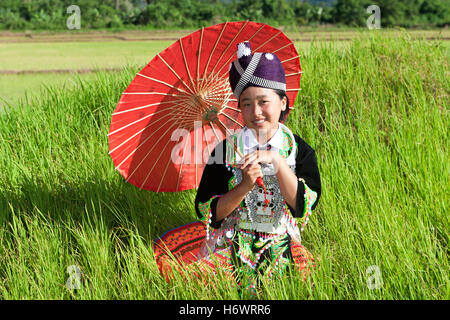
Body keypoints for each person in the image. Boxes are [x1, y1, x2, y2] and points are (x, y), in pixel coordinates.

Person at [193, 41, 322, 292]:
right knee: (201, 284)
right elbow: (207, 212)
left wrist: (276, 161)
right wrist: (244, 186)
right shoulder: (224, 151)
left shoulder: (298, 150)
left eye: (264, 101)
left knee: (303, 283)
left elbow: (304, 206)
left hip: (281, 239)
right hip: (231, 242)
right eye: (246, 104)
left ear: (283, 103)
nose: (256, 112)